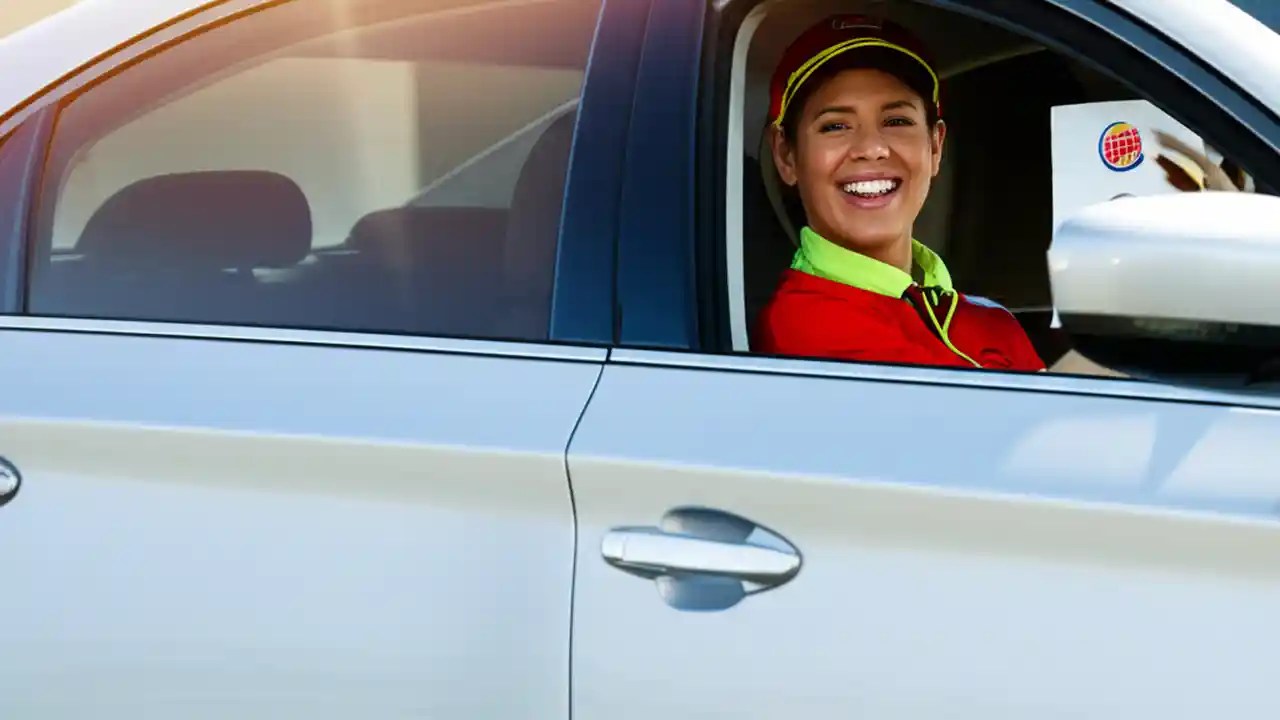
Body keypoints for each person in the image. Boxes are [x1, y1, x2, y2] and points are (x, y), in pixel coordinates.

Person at [753, 15, 1045, 372]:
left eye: (896, 121)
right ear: (786, 155)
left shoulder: (993, 322)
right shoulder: (798, 330)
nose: (872, 148)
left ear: (935, 146)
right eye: (835, 126)